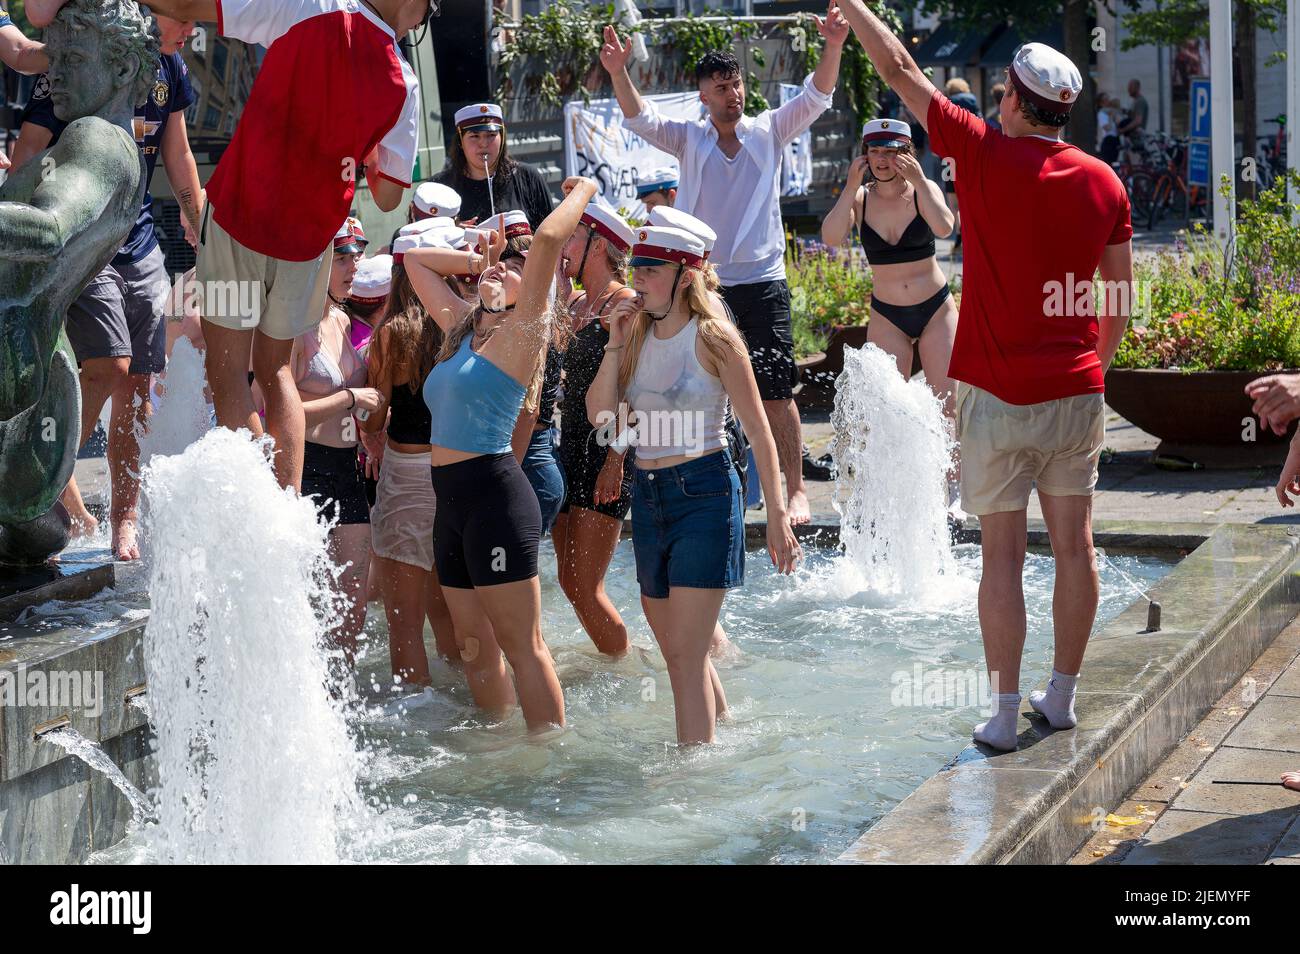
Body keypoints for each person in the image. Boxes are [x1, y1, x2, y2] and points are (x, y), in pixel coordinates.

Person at [838, 0, 1135, 752]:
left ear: (1010, 98)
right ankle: (1061, 697)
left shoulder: (981, 152)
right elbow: (1121, 300)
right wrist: (1092, 367)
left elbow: (899, 70)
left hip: (998, 397)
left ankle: (1004, 713)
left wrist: (858, 9)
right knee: (1078, 546)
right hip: (1076, 391)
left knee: (1001, 555)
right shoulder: (1106, 182)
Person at [97, 0, 427, 494]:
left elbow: (195, 7)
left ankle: (260, 504)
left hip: (239, 220)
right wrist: (361, 140)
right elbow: (386, 194)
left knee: (228, 369)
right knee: (276, 372)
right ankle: (286, 511)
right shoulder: (406, 81)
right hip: (310, 241)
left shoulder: (314, 6)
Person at [601, 3, 851, 527]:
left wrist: (831, 45)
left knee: (777, 392)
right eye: (720, 88)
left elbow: (817, 96)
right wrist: (618, 71)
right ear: (703, 96)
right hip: (702, 283)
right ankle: (697, 479)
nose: (732, 95)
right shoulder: (689, 138)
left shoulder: (768, 131)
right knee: (690, 382)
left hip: (762, 282)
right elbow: (639, 117)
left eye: (735, 84)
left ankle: (796, 490)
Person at [585, 221, 800, 744]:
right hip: (651, 495)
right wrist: (613, 345)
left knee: (684, 656)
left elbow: (759, 431)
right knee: (681, 651)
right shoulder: (633, 332)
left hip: (705, 492)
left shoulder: (714, 337)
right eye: (636, 266)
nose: (638, 279)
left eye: (650, 269)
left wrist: (776, 515)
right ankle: (723, 731)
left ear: (684, 276)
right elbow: (601, 417)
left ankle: (692, 780)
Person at [9, 12, 202, 560]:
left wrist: (196, 218)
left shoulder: (171, 70)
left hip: (138, 241)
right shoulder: (78, 67)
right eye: (180, 16)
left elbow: (179, 152)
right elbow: (30, 150)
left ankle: (124, 517)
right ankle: (43, 477)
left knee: (138, 384)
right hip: (85, 243)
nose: (189, 26)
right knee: (107, 365)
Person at [418, 179, 597, 730]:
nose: (498, 269)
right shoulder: (463, 330)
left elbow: (546, 241)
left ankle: (550, 756)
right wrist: (476, 255)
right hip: (449, 504)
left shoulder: (524, 334)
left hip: (495, 496)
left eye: (512, 269)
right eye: (496, 265)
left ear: (534, 291)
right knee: (474, 646)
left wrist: (584, 191)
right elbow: (414, 262)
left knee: (523, 647)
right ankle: (501, 750)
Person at [820, 118, 960, 511]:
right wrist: (849, 187)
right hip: (888, 315)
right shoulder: (861, 199)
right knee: (884, 411)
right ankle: (890, 494)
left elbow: (946, 227)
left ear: (906, 153)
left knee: (948, 405)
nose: (882, 160)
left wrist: (921, 182)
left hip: (935, 309)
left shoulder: (922, 191)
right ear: (866, 155)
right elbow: (830, 238)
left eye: (892, 151)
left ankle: (954, 491)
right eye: (875, 151)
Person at [362, 243, 463, 689]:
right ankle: (464, 687)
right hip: (458, 472)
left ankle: (418, 716)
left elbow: (377, 414)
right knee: (447, 608)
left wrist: (361, 410)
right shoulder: (467, 325)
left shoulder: (392, 334)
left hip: (408, 477)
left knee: (404, 623)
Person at [287, 221, 380, 669]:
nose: (352, 266)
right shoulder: (295, 332)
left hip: (349, 470)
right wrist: (348, 398)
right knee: (308, 604)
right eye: (341, 257)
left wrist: (373, 428)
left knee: (352, 608)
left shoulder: (347, 323)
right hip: (306, 471)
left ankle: (339, 703)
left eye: (356, 255)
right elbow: (279, 418)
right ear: (318, 262)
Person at [553, 200, 638, 656]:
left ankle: (625, 667)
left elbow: (639, 397)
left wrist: (616, 461)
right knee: (569, 582)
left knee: (587, 586)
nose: (563, 246)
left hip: (607, 454)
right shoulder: (579, 303)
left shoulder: (625, 305)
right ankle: (620, 657)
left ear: (598, 243)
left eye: (572, 237)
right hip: (569, 450)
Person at [431, 102, 553, 231]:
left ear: (502, 137)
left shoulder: (528, 178)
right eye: (474, 136)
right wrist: (450, 230)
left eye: (491, 135)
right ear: (460, 141)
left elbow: (552, 233)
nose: (483, 143)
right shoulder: (439, 187)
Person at [942, 78, 979, 253]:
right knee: (967, 199)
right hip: (970, 158)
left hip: (949, 158)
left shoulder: (947, 104)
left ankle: (959, 234)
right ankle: (965, 237)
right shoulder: (973, 102)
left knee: (953, 201)